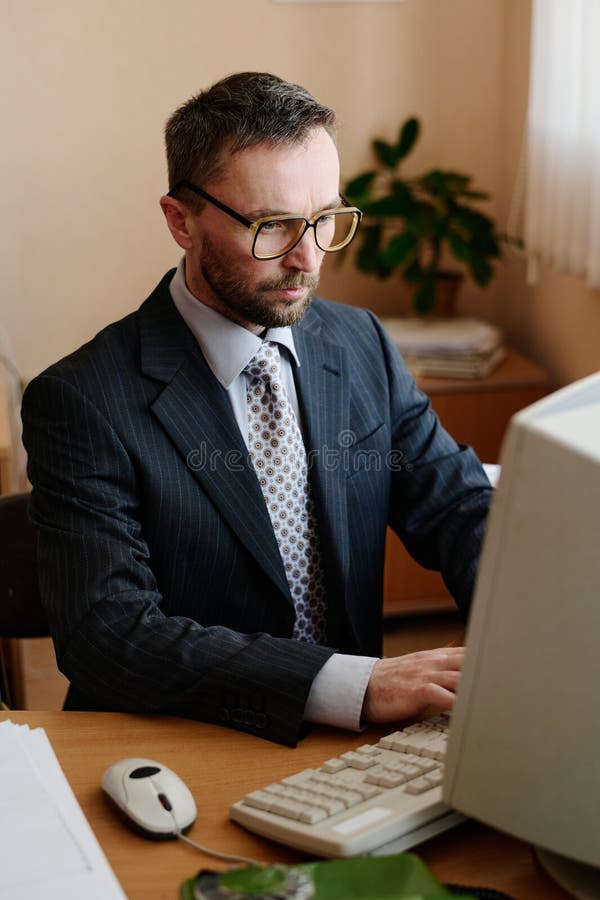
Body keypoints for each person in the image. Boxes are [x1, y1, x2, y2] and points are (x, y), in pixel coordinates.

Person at [21, 72, 492, 746]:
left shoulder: (360, 342)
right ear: (181, 221)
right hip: (184, 745)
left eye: (325, 219)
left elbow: (460, 508)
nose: (307, 257)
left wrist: (527, 634)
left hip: (351, 748)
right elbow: (110, 635)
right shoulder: (82, 399)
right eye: (273, 226)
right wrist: (352, 684)